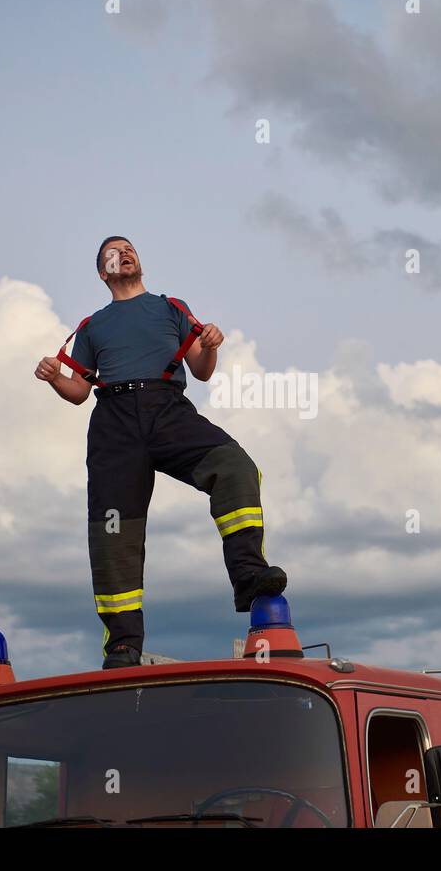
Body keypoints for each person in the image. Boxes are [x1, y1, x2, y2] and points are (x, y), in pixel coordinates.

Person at [35, 236, 287, 669]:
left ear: (138, 262)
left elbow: (202, 371)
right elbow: (78, 391)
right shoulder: (92, 326)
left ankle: (248, 575)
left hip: (167, 408)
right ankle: (122, 645)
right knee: (113, 529)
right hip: (114, 421)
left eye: (129, 248)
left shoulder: (171, 307)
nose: (124, 253)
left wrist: (209, 345)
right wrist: (54, 377)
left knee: (235, 466)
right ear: (102, 272)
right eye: (113, 252)